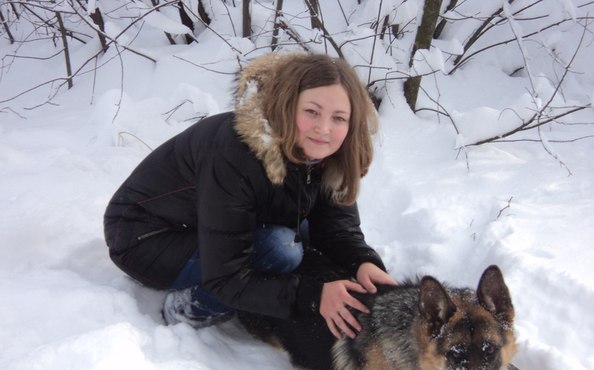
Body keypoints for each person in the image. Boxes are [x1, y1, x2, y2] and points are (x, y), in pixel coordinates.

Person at [103, 52, 396, 339]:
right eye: (312, 112)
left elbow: (336, 227)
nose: (324, 129)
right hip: (144, 237)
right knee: (282, 248)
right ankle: (187, 309)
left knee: (303, 234)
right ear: (287, 104)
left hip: (212, 225)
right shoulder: (236, 152)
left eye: (339, 118)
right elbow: (226, 276)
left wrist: (362, 261)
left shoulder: (326, 154)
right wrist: (313, 295)